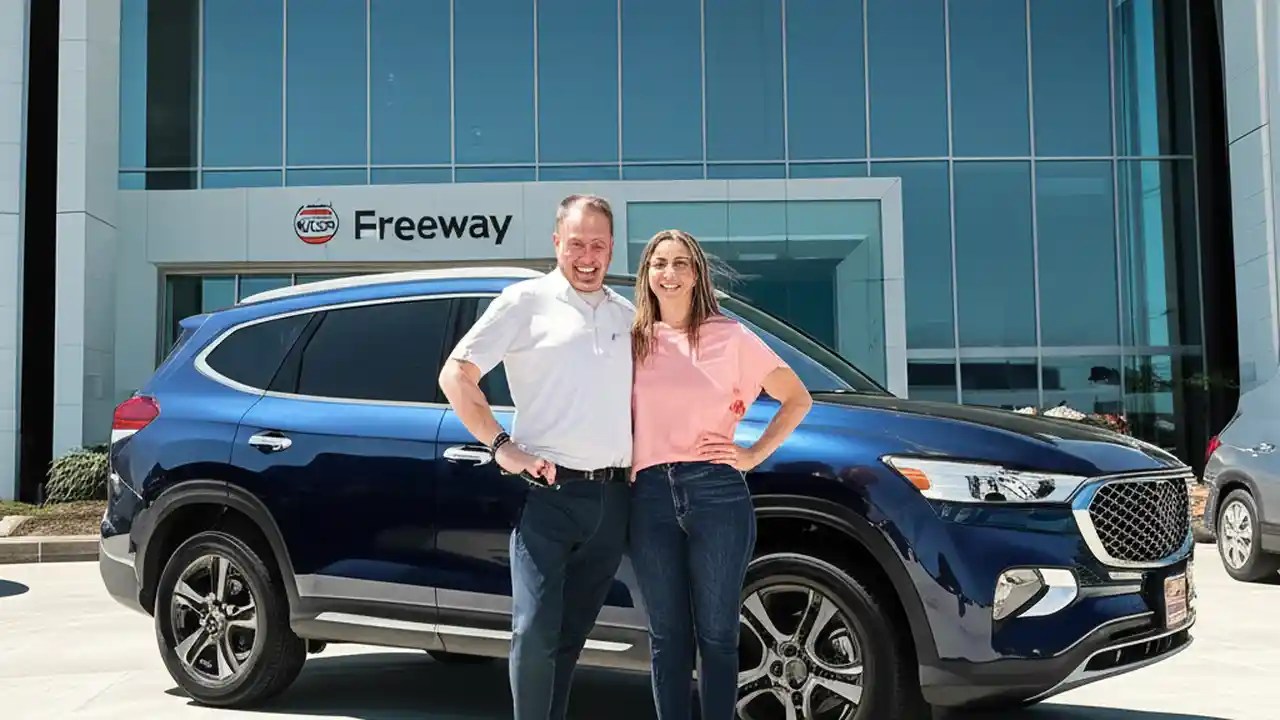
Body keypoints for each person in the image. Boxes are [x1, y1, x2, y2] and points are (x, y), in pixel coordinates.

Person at [438, 194, 634, 720]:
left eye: (598, 245)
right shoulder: (524, 302)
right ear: (556, 243)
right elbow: (456, 375)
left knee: (571, 637)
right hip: (549, 494)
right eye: (576, 244)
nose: (587, 256)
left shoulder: (628, 316)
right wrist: (503, 447)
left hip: (615, 499)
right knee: (534, 631)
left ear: (612, 247)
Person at [627, 229, 812, 720]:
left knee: (717, 634)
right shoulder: (631, 341)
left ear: (697, 275)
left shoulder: (730, 337)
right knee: (667, 638)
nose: (669, 273)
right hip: (647, 496)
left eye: (681, 263)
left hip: (716, 494)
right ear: (647, 275)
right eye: (659, 263)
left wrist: (752, 454)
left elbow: (797, 398)